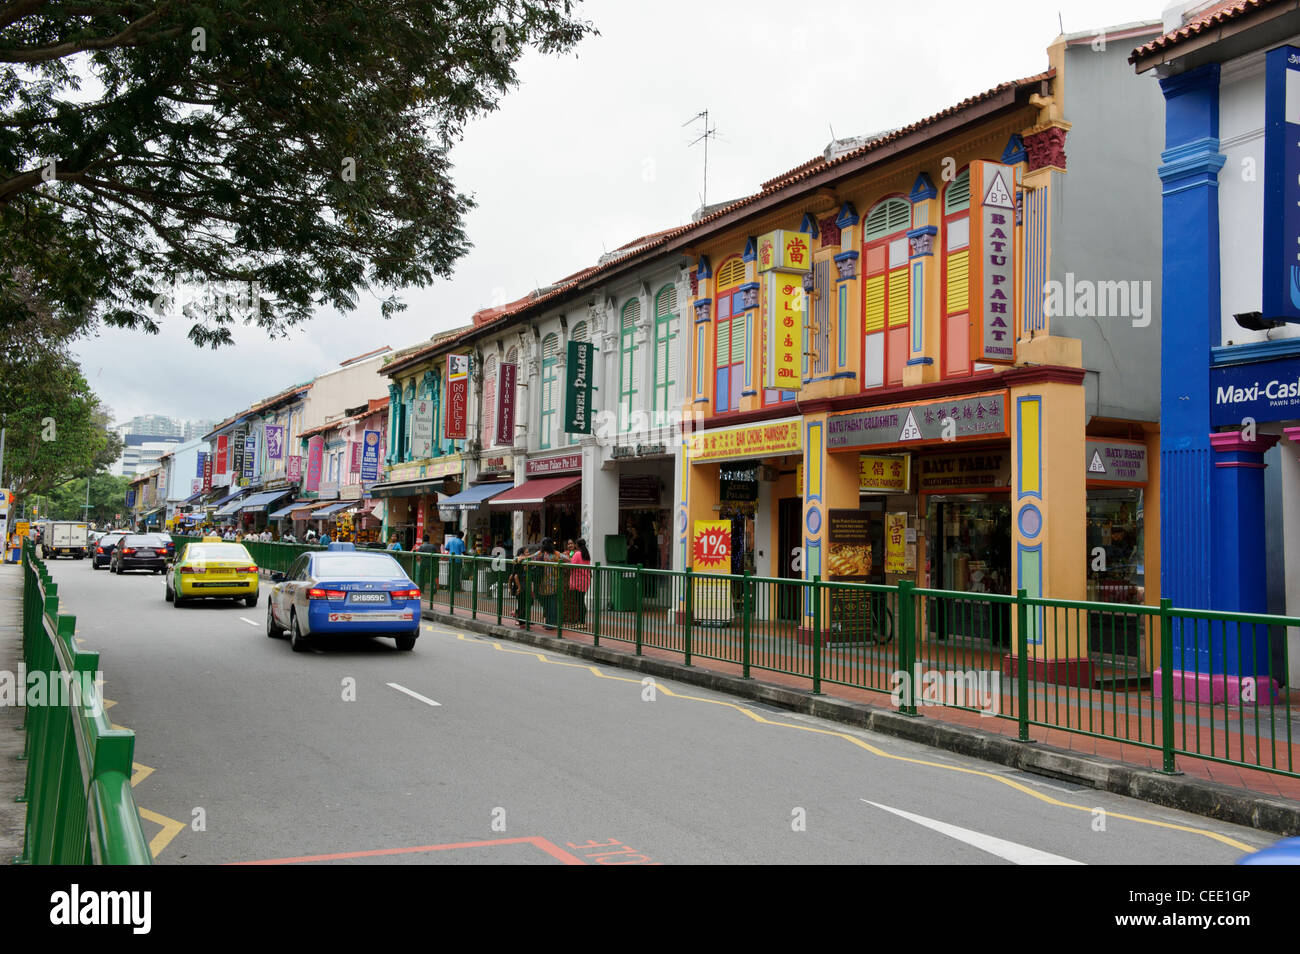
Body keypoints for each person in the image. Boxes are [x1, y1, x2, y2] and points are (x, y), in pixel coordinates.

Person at [567, 538, 591, 624]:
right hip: (585, 581)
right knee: (581, 600)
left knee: (579, 602)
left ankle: (581, 621)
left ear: (577, 545)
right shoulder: (586, 554)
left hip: (577, 581)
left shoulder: (577, 554)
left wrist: (567, 562)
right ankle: (581, 620)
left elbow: (571, 566)